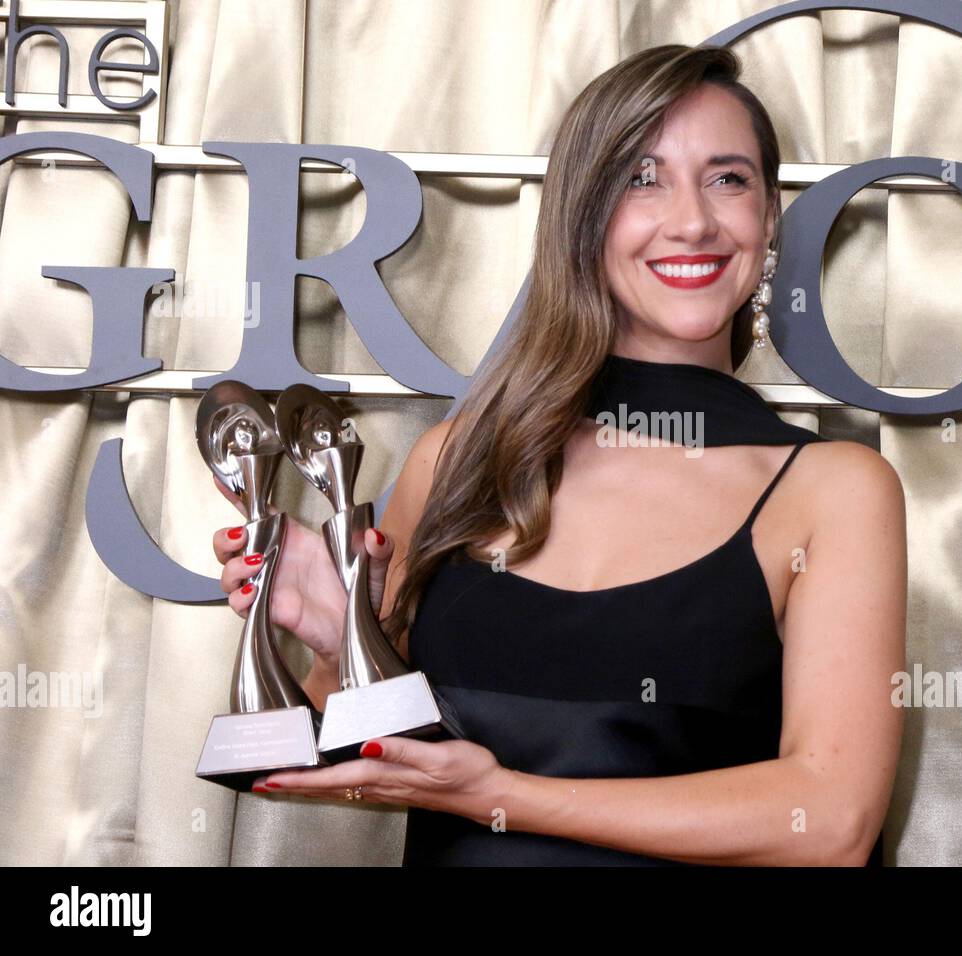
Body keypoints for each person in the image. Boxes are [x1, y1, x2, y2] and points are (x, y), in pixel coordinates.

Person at [210, 43, 906, 866]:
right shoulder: (458, 459)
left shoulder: (834, 489)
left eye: (728, 178)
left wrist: (501, 797)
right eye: (642, 179)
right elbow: (354, 760)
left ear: (768, 220)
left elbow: (830, 823)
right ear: (583, 214)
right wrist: (335, 635)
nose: (692, 219)